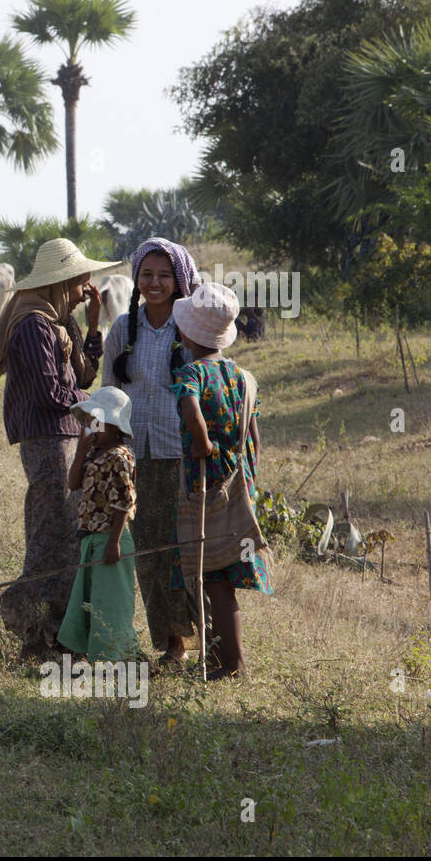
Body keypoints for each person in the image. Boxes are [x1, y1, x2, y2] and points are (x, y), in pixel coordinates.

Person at [0, 238, 122, 660]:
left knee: (63, 534)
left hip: (63, 437)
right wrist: (91, 407)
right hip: (48, 441)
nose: (87, 291)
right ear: (63, 282)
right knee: (50, 535)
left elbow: (84, 372)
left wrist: (95, 324)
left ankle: (49, 633)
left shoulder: (58, 326)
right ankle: (29, 625)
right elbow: (50, 393)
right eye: (83, 282)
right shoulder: (32, 327)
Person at [101, 237, 202, 669]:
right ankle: (168, 641)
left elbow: (210, 386)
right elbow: (108, 391)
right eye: (147, 275)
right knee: (144, 552)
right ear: (136, 280)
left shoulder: (191, 327)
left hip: (178, 454)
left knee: (178, 551)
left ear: (179, 281)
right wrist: (102, 447)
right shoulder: (124, 329)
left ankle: (189, 640)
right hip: (132, 455)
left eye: (164, 275)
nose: (155, 283)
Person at [170, 282, 272, 680]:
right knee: (223, 574)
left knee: (211, 575)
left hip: (204, 484)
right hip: (237, 482)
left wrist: (203, 444)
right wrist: (245, 477)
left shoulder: (191, 373)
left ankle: (232, 663)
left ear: (186, 332)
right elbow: (256, 440)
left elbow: (191, 409)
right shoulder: (244, 378)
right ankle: (221, 659)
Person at [57, 386, 141, 662]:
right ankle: (95, 654)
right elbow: (73, 483)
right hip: (92, 539)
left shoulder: (119, 456)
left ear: (115, 425)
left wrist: (114, 542)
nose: (92, 427)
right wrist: (81, 450)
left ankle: (120, 658)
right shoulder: (95, 453)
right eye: (90, 421)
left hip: (111, 539)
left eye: (98, 421)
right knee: (90, 599)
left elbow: (124, 503)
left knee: (111, 604)